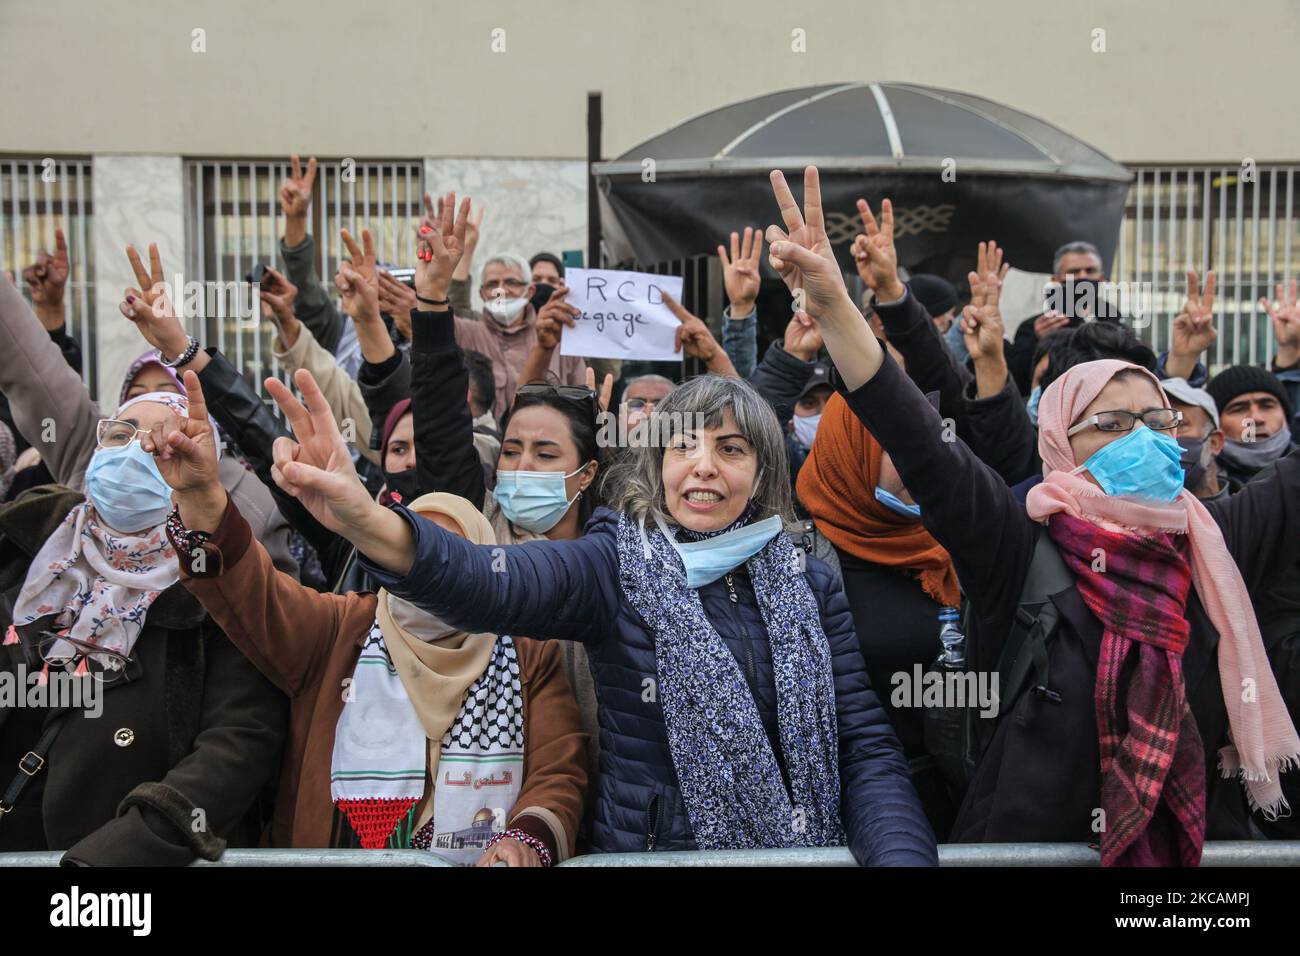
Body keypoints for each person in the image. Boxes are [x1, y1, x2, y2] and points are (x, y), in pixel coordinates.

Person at [764, 164, 1300, 865]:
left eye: (1157, 420)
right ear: (1059, 445)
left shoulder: (1215, 543)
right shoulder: (1018, 538)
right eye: (1113, 424)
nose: (1143, 438)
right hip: (1022, 855)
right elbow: (916, 433)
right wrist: (839, 309)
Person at [255, 359, 935, 864]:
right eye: (684, 445)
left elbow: (864, 750)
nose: (703, 466)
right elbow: (488, 582)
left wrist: (901, 859)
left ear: (762, 473)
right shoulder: (616, 563)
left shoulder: (808, 582)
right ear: (657, 465)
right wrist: (367, 520)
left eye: (731, 449)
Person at [150, 372, 587, 864]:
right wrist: (203, 497)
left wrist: (525, 839)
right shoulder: (340, 631)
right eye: (416, 557)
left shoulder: (528, 654)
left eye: (452, 561)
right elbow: (254, 594)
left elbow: (558, 770)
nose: (432, 578)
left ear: (482, 570)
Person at [0, 390, 286, 864]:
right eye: (120, 434)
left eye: (161, 442)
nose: (133, 451)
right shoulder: (21, 548)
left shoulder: (220, 586)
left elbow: (239, 742)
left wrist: (124, 850)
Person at [0, 264, 299, 577]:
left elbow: (271, 601)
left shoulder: (248, 502)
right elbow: (33, 370)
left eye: (161, 435)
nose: (138, 446)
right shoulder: (84, 459)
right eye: (121, 434)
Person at [1006, 240, 1114, 394]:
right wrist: (1036, 342)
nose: (1083, 277)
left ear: (1101, 277)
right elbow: (1017, 382)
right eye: (1074, 272)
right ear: (1055, 280)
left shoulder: (1114, 322)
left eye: (1090, 270)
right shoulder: (1034, 327)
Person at [1206, 364, 1296, 486]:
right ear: (1216, 425)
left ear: (1286, 416)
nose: (1256, 418)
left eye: (1267, 406)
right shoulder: (1194, 483)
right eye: (1239, 409)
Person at [1162, 378, 1233, 501]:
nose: (1164, 437)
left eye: (1178, 424)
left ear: (1215, 443)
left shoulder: (1250, 507)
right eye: (1155, 426)